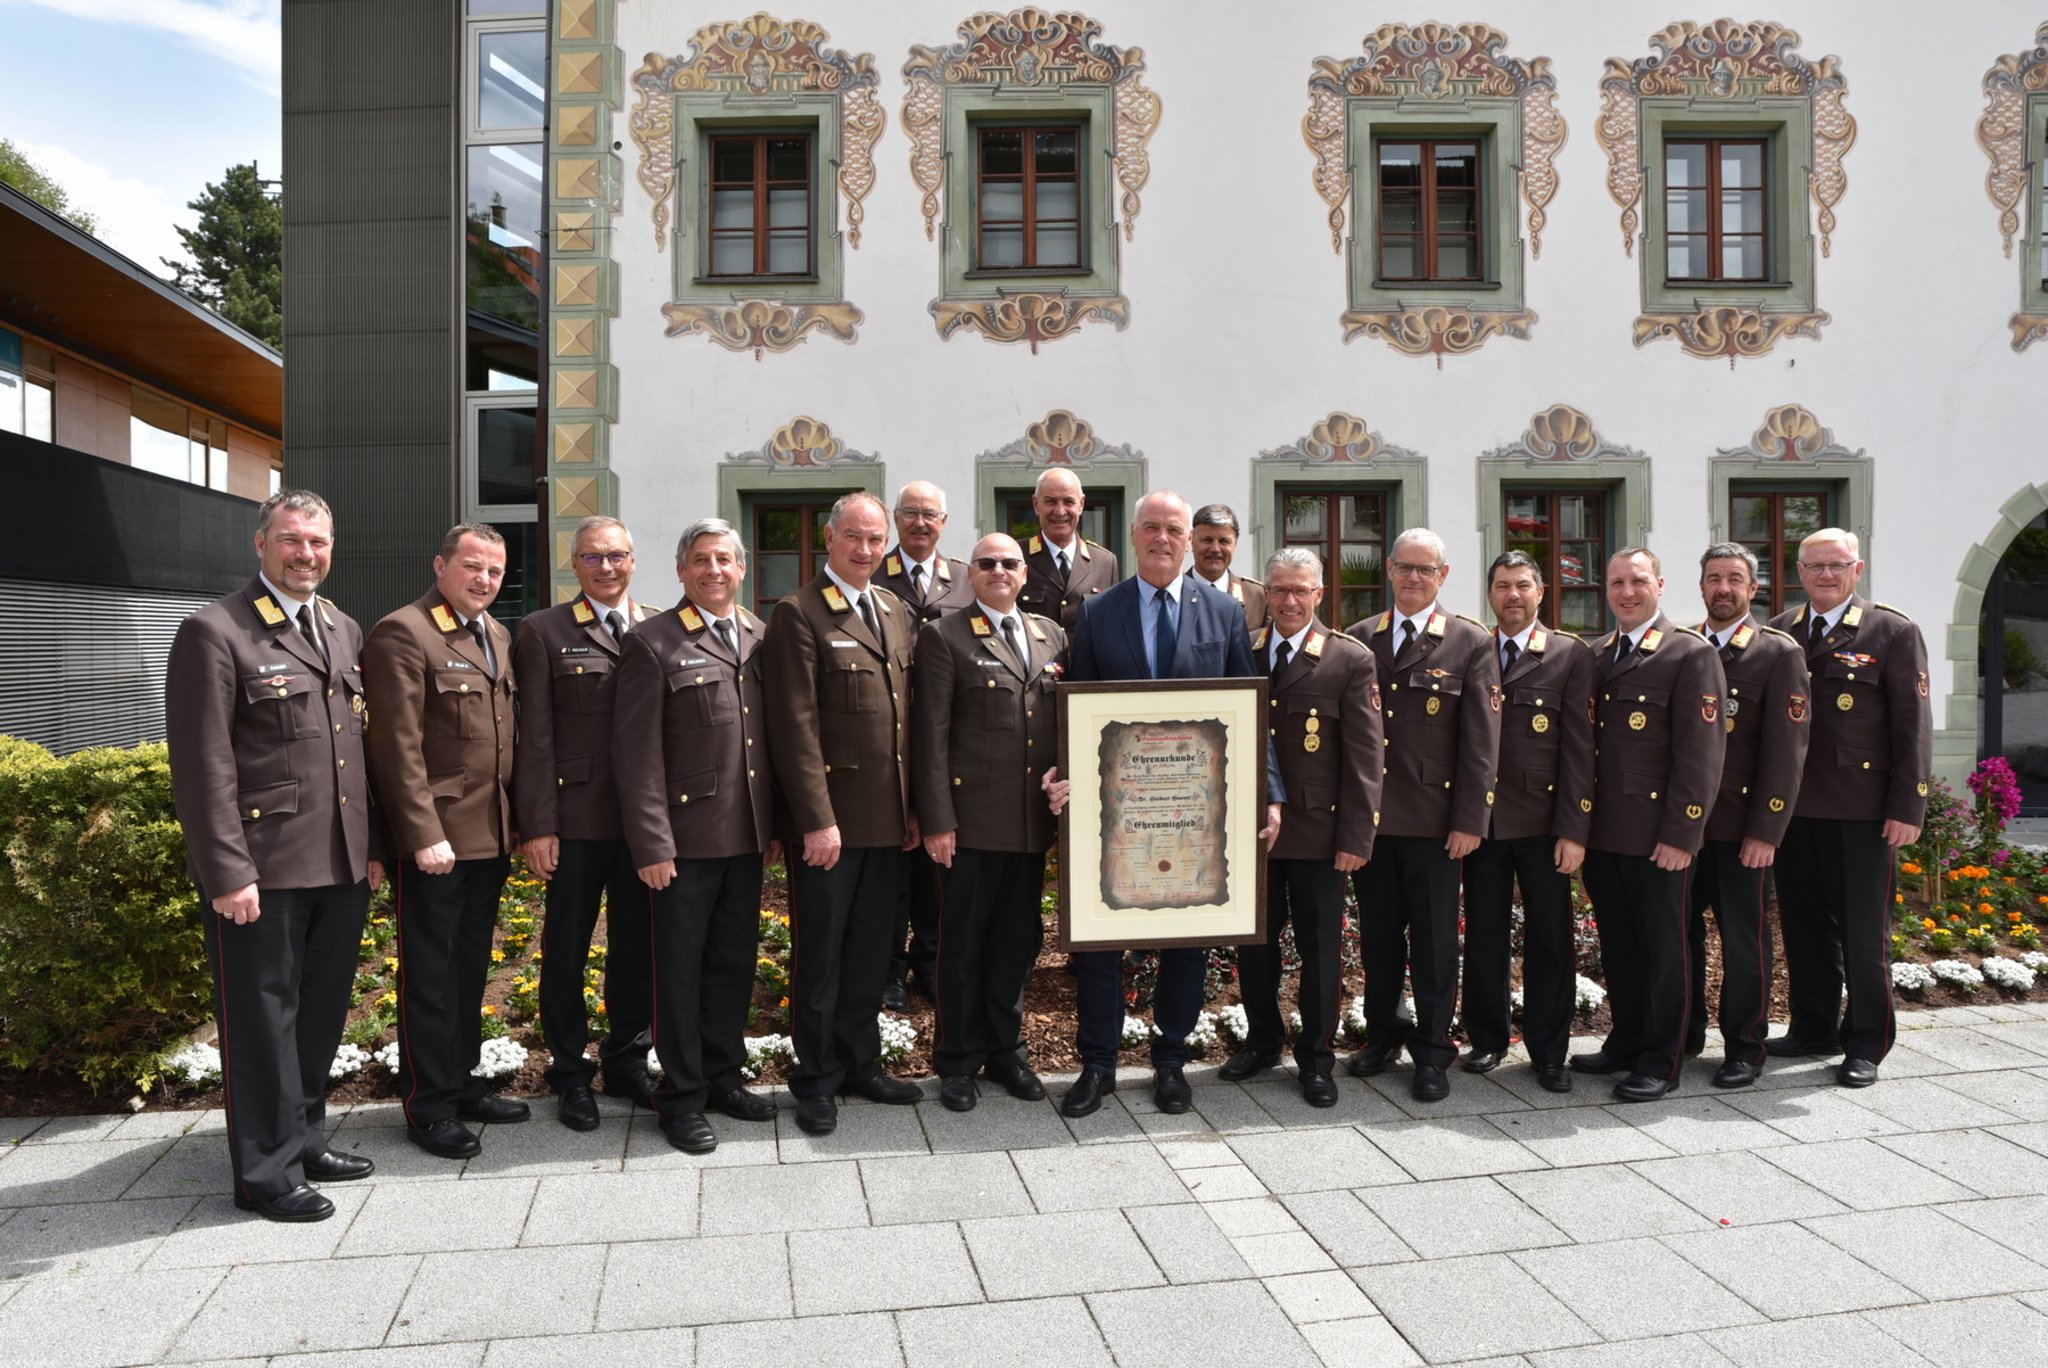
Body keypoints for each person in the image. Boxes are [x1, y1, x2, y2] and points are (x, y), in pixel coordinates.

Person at [165, 490, 382, 1222]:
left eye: (318, 542)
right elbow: (202, 766)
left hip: (339, 862)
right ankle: (263, 1173)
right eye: (291, 540)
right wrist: (226, 871)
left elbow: (355, 752)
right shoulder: (214, 631)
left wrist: (372, 848)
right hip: (262, 869)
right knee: (262, 1022)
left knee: (318, 1014)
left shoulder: (341, 627)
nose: (306, 554)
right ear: (261, 545)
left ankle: (306, 1138)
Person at [1053, 489, 1282, 1118]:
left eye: (1173, 528)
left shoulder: (1225, 613)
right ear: (1133, 536)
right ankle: (1097, 1064)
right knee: (1102, 940)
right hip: (1117, 810)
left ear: (1188, 539)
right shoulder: (1100, 612)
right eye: (1150, 527)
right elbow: (1079, 705)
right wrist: (1062, 778)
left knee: (1189, 934)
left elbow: (1249, 713)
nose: (1162, 537)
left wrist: (1269, 793)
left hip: (1195, 810)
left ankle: (1171, 1062)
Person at [612, 518, 780, 1153]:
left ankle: (721, 1078)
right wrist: (652, 844)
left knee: (732, 966)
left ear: (742, 570)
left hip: (745, 838)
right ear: (681, 571)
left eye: (725, 560)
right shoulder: (651, 643)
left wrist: (775, 828)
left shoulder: (760, 637)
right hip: (681, 847)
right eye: (701, 560)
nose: (715, 570)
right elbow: (636, 757)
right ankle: (679, 1097)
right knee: (677, 973)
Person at [763, 492, 922, 1135]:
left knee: (871, 952)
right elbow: (794, 727)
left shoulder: (892, 609)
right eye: (853, 537)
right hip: (832, 825)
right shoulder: (797, 613)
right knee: (822, 955)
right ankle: (816, 1077)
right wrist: (814, 819)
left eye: (875, 539)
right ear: (829, 539)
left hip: (887, 821)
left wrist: (913, 811)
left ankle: (861, 1062)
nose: (864, 549)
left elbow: (905, 724)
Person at [363, 522, 524, 1159]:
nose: (483, 580)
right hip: (437, 844)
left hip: (488, 835)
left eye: (494, 571)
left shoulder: (499, 634)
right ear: (441, 566)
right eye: (472, 567)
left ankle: (459, 1082)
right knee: (429, 976)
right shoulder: (404, 631)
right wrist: (422, 834)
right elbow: (394, 745)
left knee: (468, 968)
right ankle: (426, 1104)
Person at [910, 533, 1069, 1112]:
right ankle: (956, 1059)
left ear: (1025, 574)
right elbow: (928, 736)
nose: (999, 571)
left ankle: (1006, 1050)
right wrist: (936, 819)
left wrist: (1065, 777)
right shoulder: (943, 637)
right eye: (987, 563)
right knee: (961, 946)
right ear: (969, 574)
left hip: (1030, 822)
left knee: (1016, 943)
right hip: (969, 824)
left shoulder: (1050, 635)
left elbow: (1062, 723)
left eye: (1009, 563)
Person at [1768, 528, 1932, 1088]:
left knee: (1865, 935)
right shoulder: (1782, 631)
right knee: (1805, 925)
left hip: (1863, 812)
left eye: (1836, 566)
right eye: (1814, 566)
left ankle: (1866, 1041)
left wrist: (1908, 805)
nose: (1825, 576)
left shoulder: (1892, 631)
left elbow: (1912, 725)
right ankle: (1813, 1026)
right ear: (1799, 571)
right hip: (1793, 811)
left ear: (1856, 570)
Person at [1218, 547, 1379, 1106]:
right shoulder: (1244, 649)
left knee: (1319, 951)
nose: (1288, 601)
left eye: (1299, 591)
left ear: (1319, 595)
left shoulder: (1348, 659)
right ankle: (1263, 1041)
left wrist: (1357, 838)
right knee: (1255, 946)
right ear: (1266, 593)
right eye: (1279, 590)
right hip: (1251, 833)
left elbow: (1365, 758)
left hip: (1318, 835)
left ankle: (1316, 1058)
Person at [1344, 528, 1500, 1102]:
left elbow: (1483, 743)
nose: (1413, 578)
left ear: (1443, 575)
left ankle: (1432, 1050)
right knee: (1379, 937)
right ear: (1388, 569)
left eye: (1424, 570)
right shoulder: (1361, 639)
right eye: (1404, 567)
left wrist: (1470, 820)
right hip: (1374, 824)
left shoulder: (1469, 643)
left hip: (1437, 826)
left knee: (1436, 944)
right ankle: (1381, 1035)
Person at [511, 515, 656, 1131]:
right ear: (575, 564)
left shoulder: (660, 625)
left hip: (644, 827)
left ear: (633, 559)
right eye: (594, 557)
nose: (607, 566)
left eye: (617, 555)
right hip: (573, 823)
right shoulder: (542, 631)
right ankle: (570, 1073)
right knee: (566, 951)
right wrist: (538, 825)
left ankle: (627, 1060)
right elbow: (533, 736)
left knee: (638, 948)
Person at [1572, 548, 1726, 1102]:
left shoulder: (1690, 654)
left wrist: (1683, 834)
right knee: (1619, 946)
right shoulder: (1597, 654)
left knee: (1666, 951)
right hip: (1606, 835)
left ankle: (1663, 1059)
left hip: (1661, 839)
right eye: (1616, 582)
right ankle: (1627, 1037)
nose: (1627, 592)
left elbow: (1701, 756)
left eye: (1638, 581)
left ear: (1660, 584)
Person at [1460, 550, 1595, 1094]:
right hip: (1484, 826)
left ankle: (1549, 1051)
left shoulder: (1568, 655)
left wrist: (1574, 829)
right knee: (1484, 936)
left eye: (1522, 586)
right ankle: (1489, 1039)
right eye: (1501, 586)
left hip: (1544, 828)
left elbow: (1581, 751)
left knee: (1550, 942)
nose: (1512, 595)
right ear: (1489, 595)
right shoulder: (1473, 651)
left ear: (1541, 593)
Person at [1684, 544, 1811, 1088]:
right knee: (1679, 937)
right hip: (1682, 831)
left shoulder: (1777, 654)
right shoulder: (1684, 648)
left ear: (1752, 589)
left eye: (1734, 579)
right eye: (1714, 578)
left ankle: (1744, 1046)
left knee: (1744, 941)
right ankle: (1682, 1035)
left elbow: (1787, 754)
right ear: (1701, 586)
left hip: (1741, 833)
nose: (1723, 589)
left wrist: (1766, 830)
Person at [871, 480, 974, 1013]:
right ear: (895, 519)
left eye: (929, 514)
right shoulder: (875, 575)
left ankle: (933, 961)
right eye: (909, 513)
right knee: (893, 864)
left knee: (938, 863)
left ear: (944, 521)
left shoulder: (963, 578)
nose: (919, 523)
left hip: (945, 738)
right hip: (886, 740)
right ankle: (890, 969)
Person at [1018, 466, 1118, 632]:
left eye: (1068, 501)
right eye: (1050, 501)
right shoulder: (1015, 557)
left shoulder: (1105, 563)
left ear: (1081, 505)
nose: (1059, 511)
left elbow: (1111, 626)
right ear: (1036, 505)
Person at [1190, 503, 1267, 630]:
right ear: (1191, 542)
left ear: (1234, 545)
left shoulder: (1258, 598)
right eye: (1207, 540)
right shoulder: (1173, 591)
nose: (1215, 549)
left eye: (1223, 541)